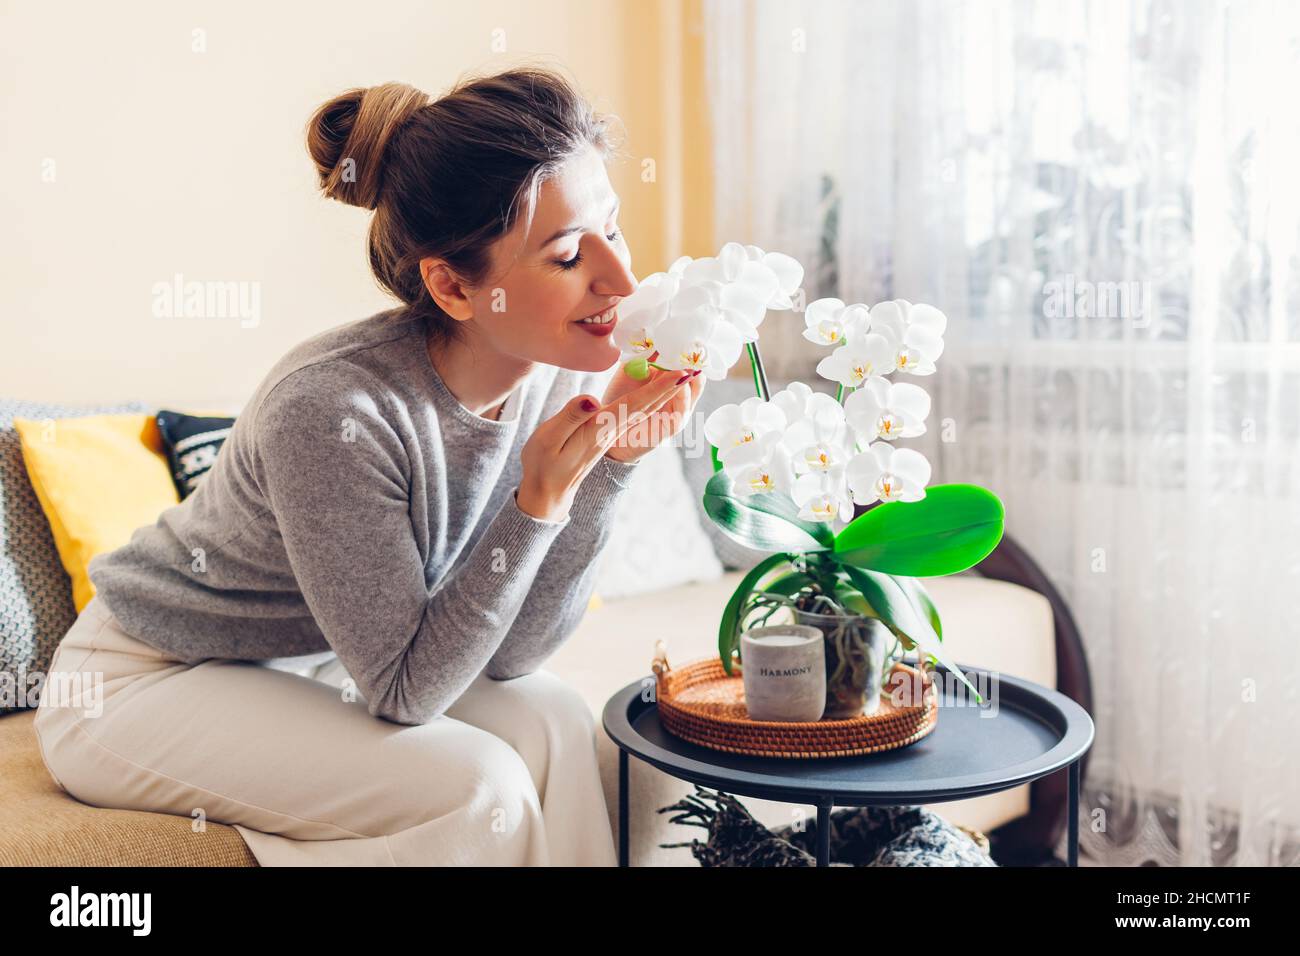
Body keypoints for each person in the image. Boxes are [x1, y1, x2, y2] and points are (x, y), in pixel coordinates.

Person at [33, 67, 704, 866]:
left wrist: (609, 469)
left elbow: (514, 658)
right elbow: (407, 692)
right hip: (144, 681)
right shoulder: (333, 409)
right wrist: (538, 500)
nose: (621, 280)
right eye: (567, 257)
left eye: (614, 229)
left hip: (326, 662)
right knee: (478, 786)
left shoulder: (563, 365)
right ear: (454, 286)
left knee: (555, 719)